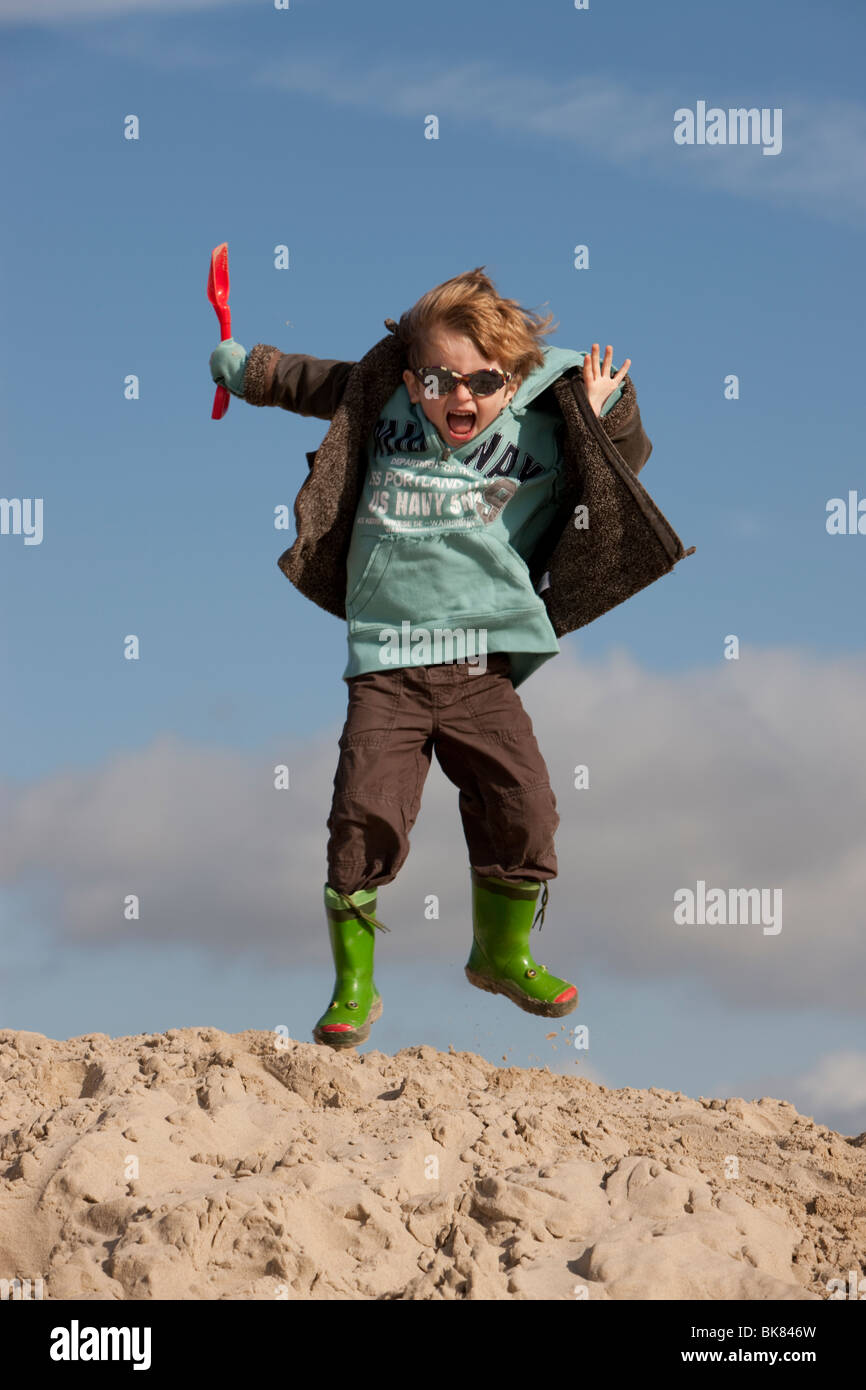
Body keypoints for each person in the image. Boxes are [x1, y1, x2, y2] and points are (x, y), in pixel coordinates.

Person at [210, 266, 692, 1050]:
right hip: (386, 664)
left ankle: (502, 953)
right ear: (412, 377)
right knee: (363, 818)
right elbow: (314, 380)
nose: (459, 399)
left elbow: (620, 473)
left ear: (516, 378)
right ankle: (352, 986)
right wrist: (244, 367)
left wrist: (601, 416)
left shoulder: (545, 419)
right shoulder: (384, 397)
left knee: (525, 806)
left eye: (482, 382)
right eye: (438, 380)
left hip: (480, 667)